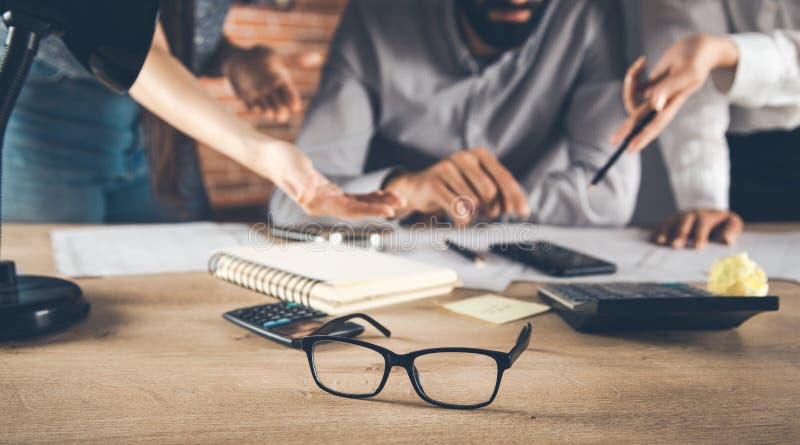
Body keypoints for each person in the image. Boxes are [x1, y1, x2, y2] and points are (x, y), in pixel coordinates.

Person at [1, 0, 401, 223]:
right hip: (48, 118)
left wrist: (233, 58)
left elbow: (176, 20)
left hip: (157, 131)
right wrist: (265, 154)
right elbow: (135, 51)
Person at [270, 0, 639, 228]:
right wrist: (406, 190)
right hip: (396, 261)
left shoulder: (586, 16)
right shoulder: (376, 16)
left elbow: (608, 197)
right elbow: (292, 203)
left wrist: (479, 199)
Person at [615, 0, 800, 249]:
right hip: (739, 156)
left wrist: (727, 53)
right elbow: (686, 51)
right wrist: (703, 197)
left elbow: (707, 52)